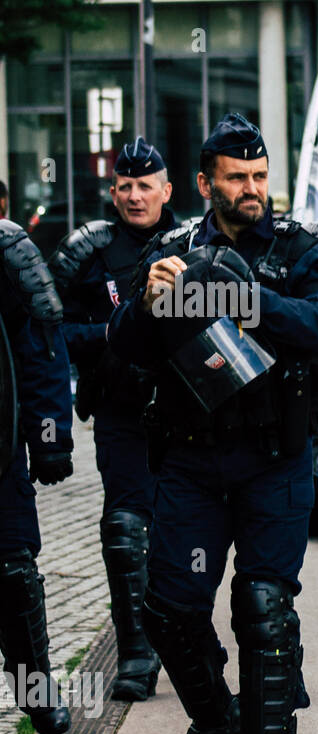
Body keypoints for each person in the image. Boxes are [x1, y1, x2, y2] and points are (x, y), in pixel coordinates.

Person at [107, 113, 318, 734]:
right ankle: (216, 716)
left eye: (259, 176)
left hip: (275, 456)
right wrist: (150, 300)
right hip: (191, 458)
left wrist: (249, 300)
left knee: (263, 602)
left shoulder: (310, 247)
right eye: (236, 178)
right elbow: (126, 343)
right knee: (168, 606)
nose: (252, 189)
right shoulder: (174, 247)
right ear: (204, 183)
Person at [49, 137, 178, 701]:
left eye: (145, 185)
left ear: (166, 190)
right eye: (124, 186)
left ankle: (183, 642)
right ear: (112, 191)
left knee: (183, 531)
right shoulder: (88, 254)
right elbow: (51, 335)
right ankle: (135, 654)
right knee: (126, 528)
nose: (134, 195)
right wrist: (107, 334)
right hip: (121, 412)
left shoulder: (196, 244)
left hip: (187, 413)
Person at [0, 220, 73, 734]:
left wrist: (50, 440)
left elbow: (43, 350)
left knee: (13, 576)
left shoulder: (8, 251)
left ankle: (35, 690)